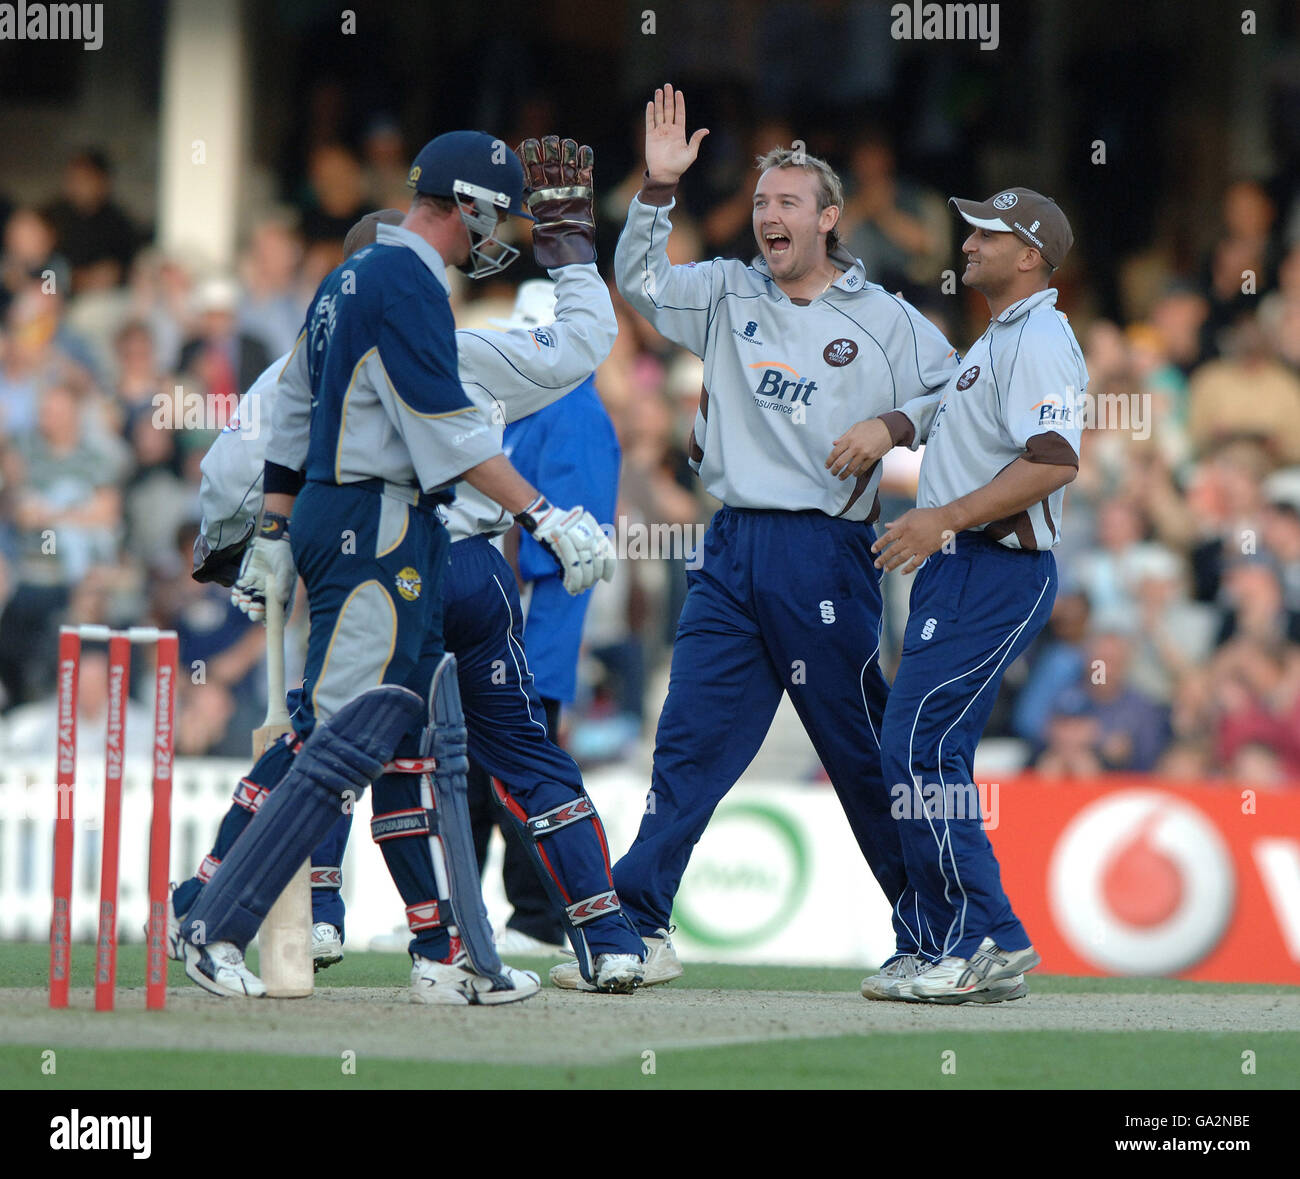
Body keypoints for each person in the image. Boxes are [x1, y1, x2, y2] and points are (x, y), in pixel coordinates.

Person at [176, 131, 620, 1006]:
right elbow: (447, 434)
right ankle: (209, 915)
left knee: (416, 751)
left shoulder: (344, 281)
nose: (496, 233)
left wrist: (269, 525)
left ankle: (446, 951)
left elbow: (291, 412)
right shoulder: (409, 284)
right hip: (379, 526)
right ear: (464, 207)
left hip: (368, 524)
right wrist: (545, 515)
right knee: (337, 737)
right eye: (494, 215)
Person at [550, 84, 960, 993]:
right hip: (730, 548)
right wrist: (658, 190)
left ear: (828, 219)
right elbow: (642, 282)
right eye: (762, 201)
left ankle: (935, 933)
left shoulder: (882, 316)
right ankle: (639, 926)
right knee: (687, 741)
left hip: (825, 554)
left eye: (787, 203)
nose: (769, 215)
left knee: (857, 753)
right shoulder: (728, 292)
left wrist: (894, 426)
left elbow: (959, 392)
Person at [846, 186, 1087, 1002]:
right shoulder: (1004, 335)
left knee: (919, 745)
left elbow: (1054, 459)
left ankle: (982, 936)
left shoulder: (1041, 337)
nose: (970, 238)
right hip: (964, 564)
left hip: (997, 567)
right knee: (920, 747)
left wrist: (942, 517)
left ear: (1031, 255)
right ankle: (948, 940)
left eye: (990, 230)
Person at [465, 278, 623, 955]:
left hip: (528, 626)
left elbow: (570, 539)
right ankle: (476, 913)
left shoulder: (573, 413)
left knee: (513, 771)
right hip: (507, 620)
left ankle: (533, 915)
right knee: (479, 770)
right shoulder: (541, 407)